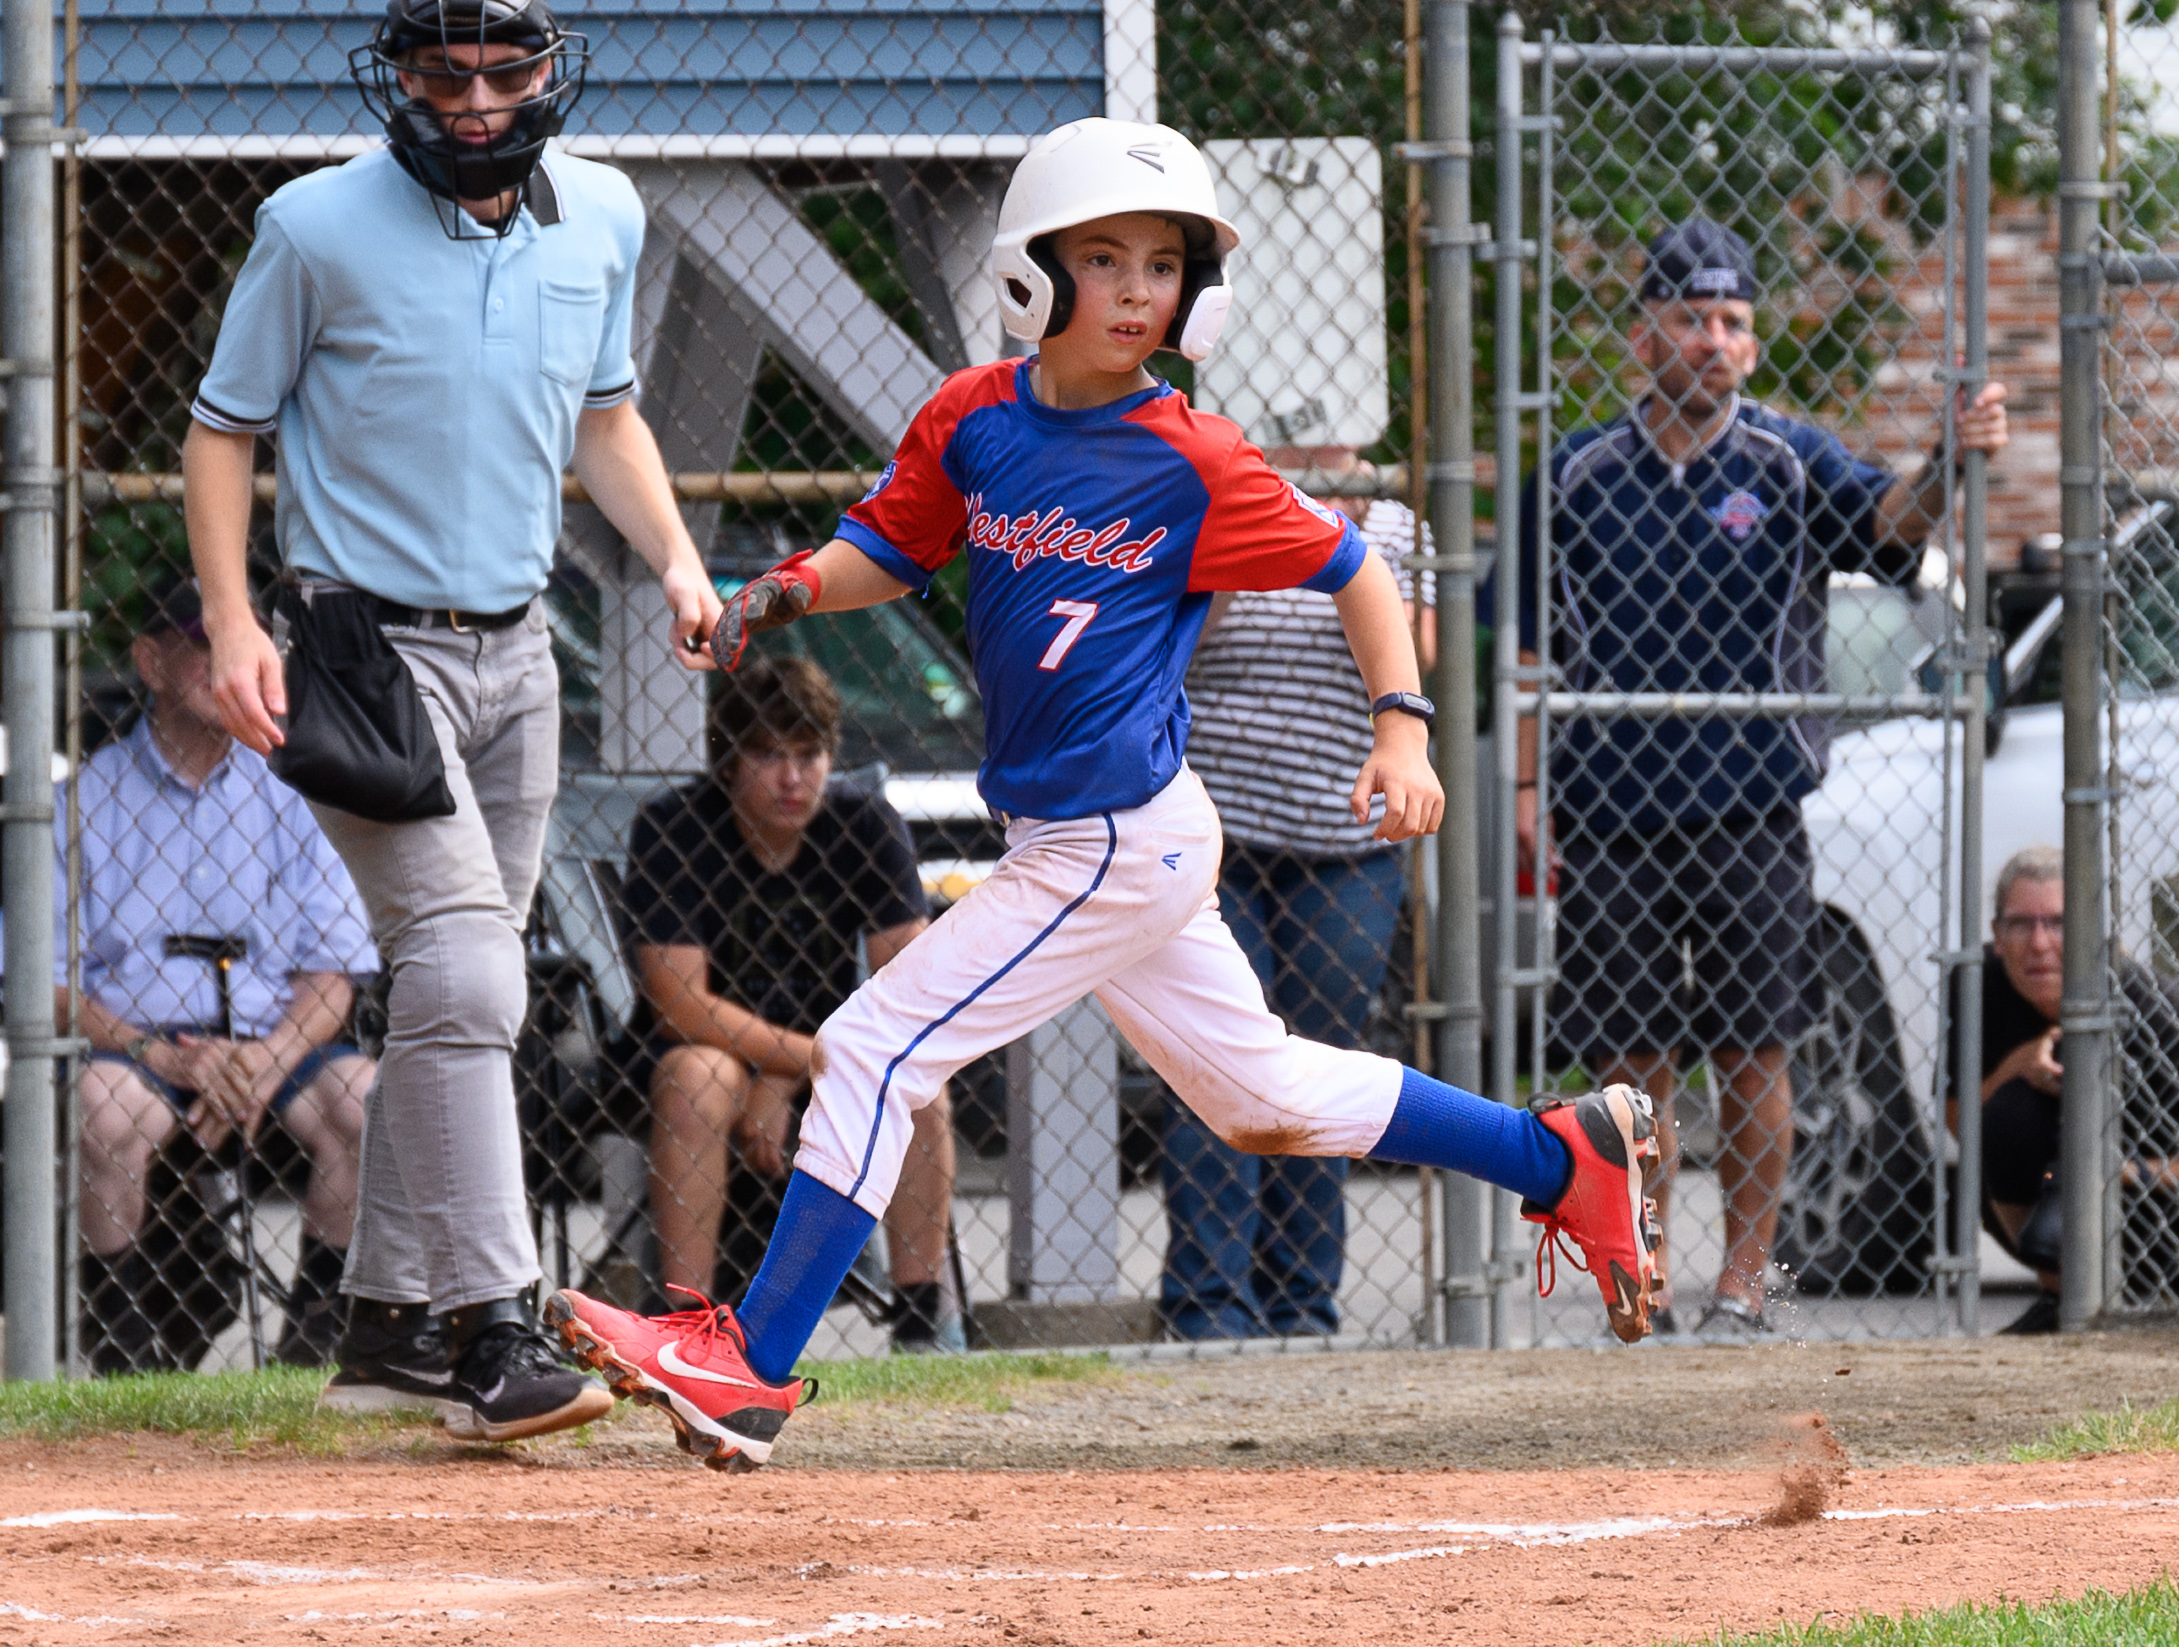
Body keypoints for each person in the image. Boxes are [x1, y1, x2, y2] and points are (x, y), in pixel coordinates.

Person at [543, 117, 1664, 1473]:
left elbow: (1359, 570)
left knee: (878, 1045)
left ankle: (751, 1361)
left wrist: (1402, 731)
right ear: (1031, 273)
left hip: (1112, 837)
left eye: (1161, 266)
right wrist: (777, 592)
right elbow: (885, 549)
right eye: (1105, 259)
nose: (1138, 290)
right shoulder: (973, 416)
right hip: (1107, 836)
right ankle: (1558, 1157)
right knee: (1252, 1092)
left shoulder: (1190, 455)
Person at [182, 0, 720, 1441]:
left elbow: (604, 414)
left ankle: (383, 1325)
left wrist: (674, 555)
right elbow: (222, 433)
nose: (476, 99)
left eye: (504, 69)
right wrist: (235, 622)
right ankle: (494, 1325)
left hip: (516, 646)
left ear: (548, 72)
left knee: (445, 991)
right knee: (475, 975)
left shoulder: (603, 214)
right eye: (442, 71)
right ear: (397, 76)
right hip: (365, 649)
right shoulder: (314, 227)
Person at [1489, 217, 2011, 1340]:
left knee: (1754, 1049)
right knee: (1629, 1063)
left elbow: (1891, 527)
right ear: (1645, 336)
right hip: (1609, 806)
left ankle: (1745, 1282)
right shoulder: (1575, 474)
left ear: (1753, 341)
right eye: (1689, 319)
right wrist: (1528, 798)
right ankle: (1645, 1277)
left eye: (1731, 322)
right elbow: (1524, 656)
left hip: (1753, 804)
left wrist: (1949, 460)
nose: (1711, 341)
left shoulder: (1789, 459)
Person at [65, 579, 377, 1373]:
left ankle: (314, 1337)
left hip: (274, 1050)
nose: (228, 658)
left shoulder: (299, 792)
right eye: (204, 642)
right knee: (103, 1109)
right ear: (151, 661)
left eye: (246, 639)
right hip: (138, 1051)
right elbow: (45, 982)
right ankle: (121, 1341)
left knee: (365, 1099)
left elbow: (334, 975)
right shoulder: (86, 800)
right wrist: (160, 1053)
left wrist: (262, 1061)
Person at [623, 656, 963, 1351]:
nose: (792, 778)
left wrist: (789, 1076)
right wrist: (813, 1059)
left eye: (808, 754)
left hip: (826, 1052)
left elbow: (912, 983)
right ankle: (688, 1331)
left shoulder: (864, 821)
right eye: (769, 755)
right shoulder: (673, 827)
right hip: (697, 1053)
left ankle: (923, 1317)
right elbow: (681, 1005)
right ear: (728, 760)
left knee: (920, 1087)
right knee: (702, 1077)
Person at [1160, 496, 1434, 1339]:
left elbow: (1416, 657)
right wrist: (1252, 549)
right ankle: (1208, 1304)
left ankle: (1301, 1303)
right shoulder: (1216, 498)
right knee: (1214, 1059)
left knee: (1321, 1062)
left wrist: (1333, 550)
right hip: (1218, 833)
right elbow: (1166, 649)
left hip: (1344, 840)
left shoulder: (1393, 529)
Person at [1947, 845, 2179, 1333]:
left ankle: (2140, 1295)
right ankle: (2058, 1297)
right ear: (1996, 935)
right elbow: (1957, 1120)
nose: (2039, 943)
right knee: (2007, 1115)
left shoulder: (2153, 1007)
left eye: (2057, 923)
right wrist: (2016, 1066)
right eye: (2020, 924)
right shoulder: (1978, 985)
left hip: (2152, 1197)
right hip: (2045, 1200)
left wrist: (2116, 1172)